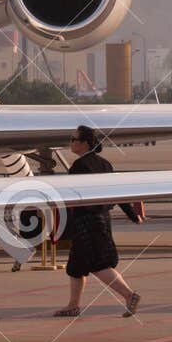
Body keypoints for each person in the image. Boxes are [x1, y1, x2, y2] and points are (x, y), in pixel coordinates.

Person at [53, 125, 142, 318]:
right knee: (75, 267)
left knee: (98, 265)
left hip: (87, 223)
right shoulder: (104, 164)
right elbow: (117, 192)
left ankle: (129, 295)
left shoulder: (79, 167)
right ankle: (73, 305)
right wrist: (132, 215)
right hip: (102, 219)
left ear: (85, 143)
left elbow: (69, 197)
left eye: (74, 139)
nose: (71, 142)